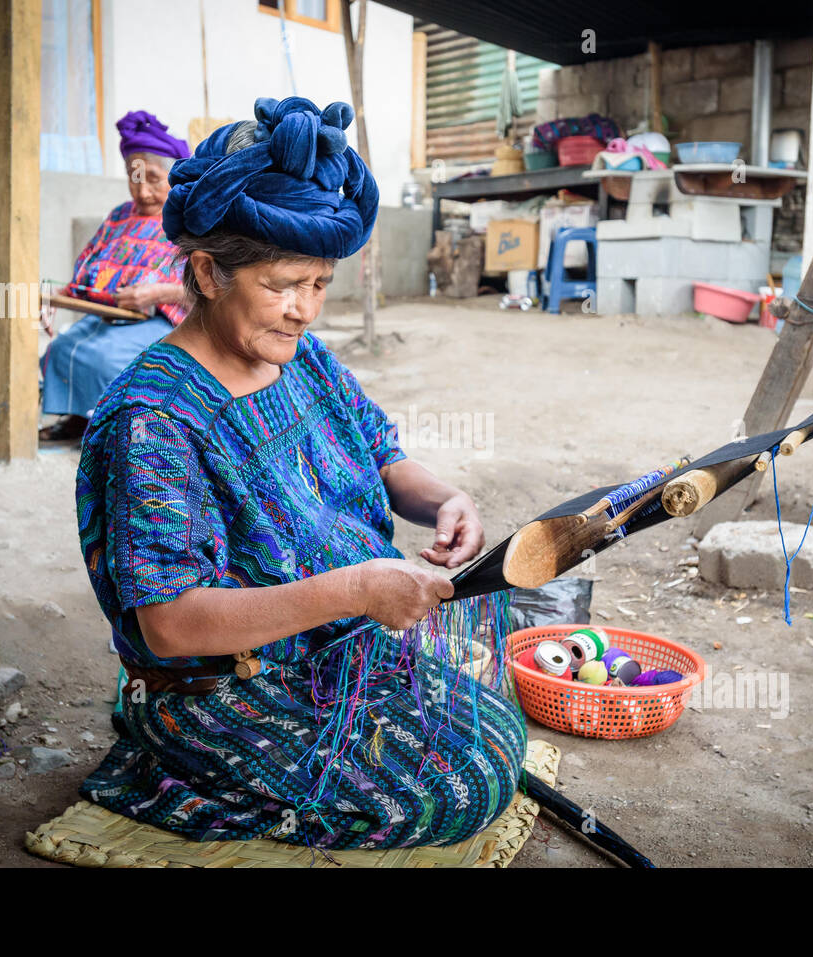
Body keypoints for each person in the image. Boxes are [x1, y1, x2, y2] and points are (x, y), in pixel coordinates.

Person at [76, 96, 526, 850]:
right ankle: (159, 767)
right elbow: (171, 620)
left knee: (496, 724)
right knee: (463, 786)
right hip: (226, 689)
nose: (305, 309)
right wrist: (356, 589)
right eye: (284, 284)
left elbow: (382, 457)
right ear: (208, 271)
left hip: (330, 645)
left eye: (319, 283)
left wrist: (447, 497)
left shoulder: (298, 355)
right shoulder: (152, 419)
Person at [38, 111, 190, 441]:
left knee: (104, 357)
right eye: (134, 178)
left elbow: (208, 287)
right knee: (61, 348)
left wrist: (156, 294)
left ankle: (112, 433)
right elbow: (92, 268)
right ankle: (79, 418)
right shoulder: (121, 215)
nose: (143, 190)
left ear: (175, 176)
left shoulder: (190, 217)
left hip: (164, 321)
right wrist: (59, 297)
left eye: (153, 178)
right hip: (112, 314)